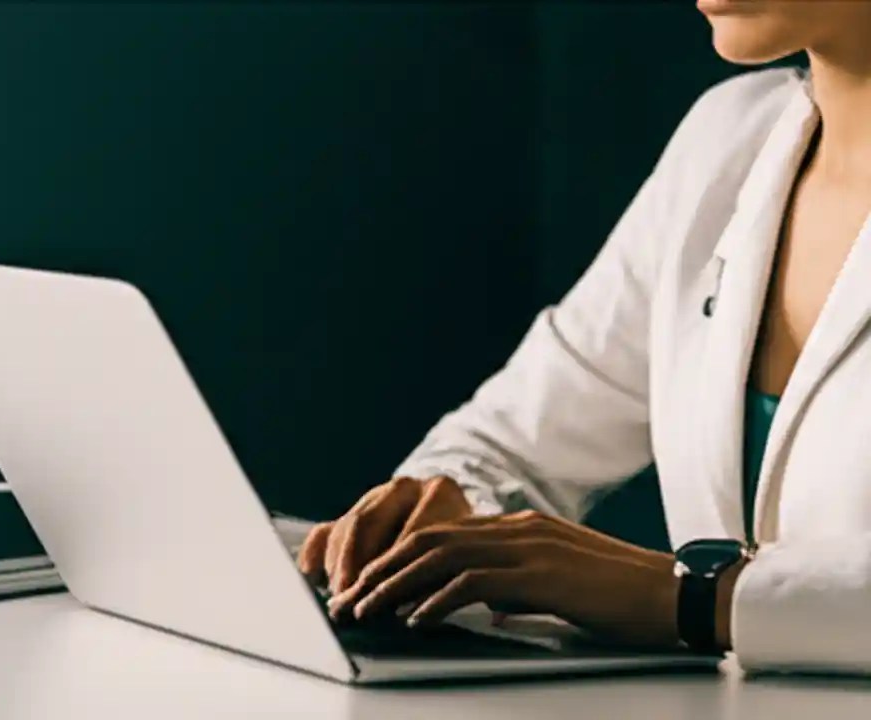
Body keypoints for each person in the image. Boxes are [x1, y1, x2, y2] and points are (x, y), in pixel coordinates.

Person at [302, 1, 871, 674]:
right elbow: (513, 437)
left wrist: (689, 602)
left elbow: (695, 605)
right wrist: (442, 505)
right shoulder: (730, 139)